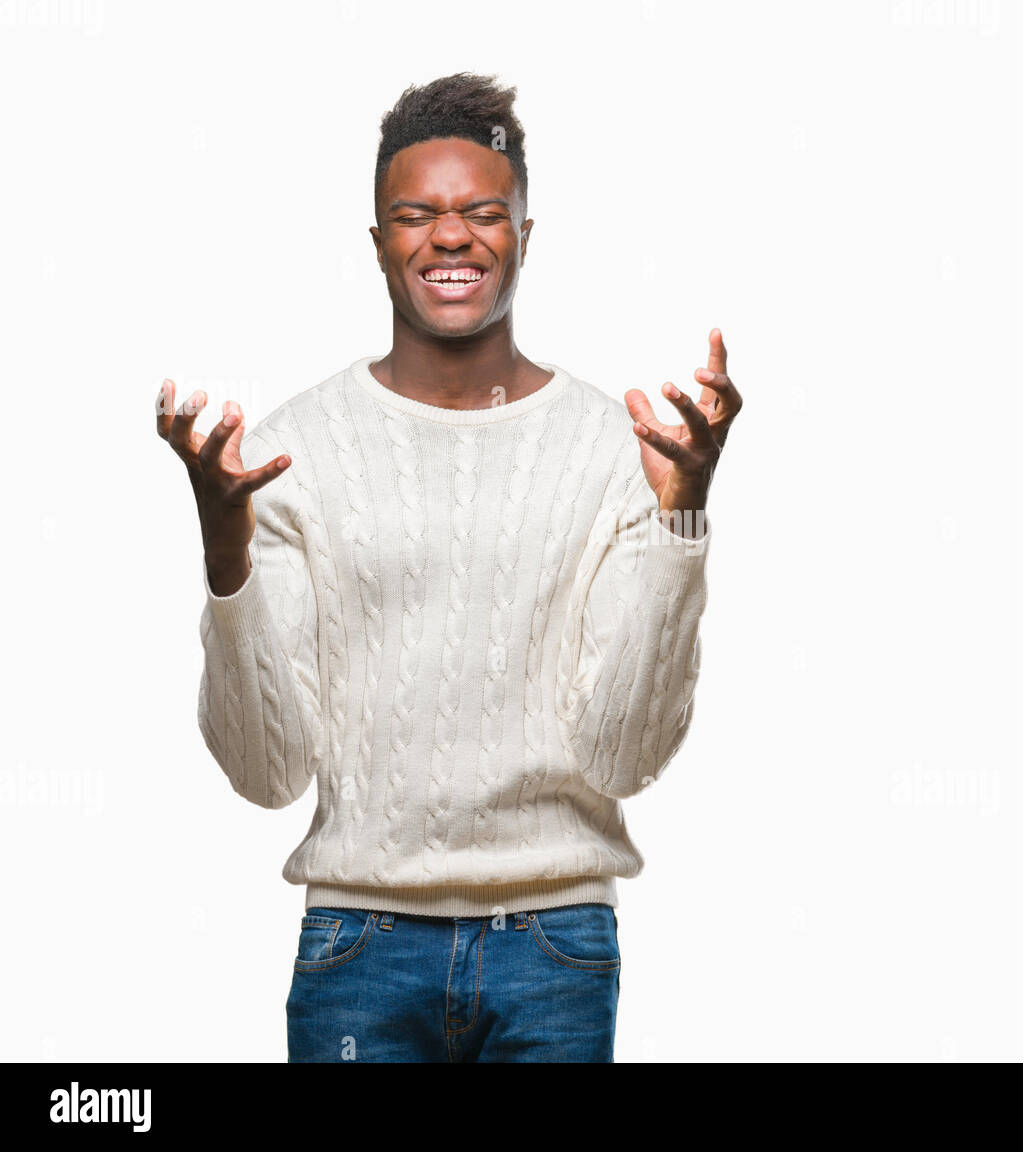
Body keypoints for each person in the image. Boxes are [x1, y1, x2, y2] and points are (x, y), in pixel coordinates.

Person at [155, 72, 740, 1062]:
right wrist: (226, 555)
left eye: (481, 213)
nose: (451, 236)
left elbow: (624, 758)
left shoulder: (614, 448)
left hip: (555, 945)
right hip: (359, 945)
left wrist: (681, 523)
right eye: (416, 214)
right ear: (378, 240)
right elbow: (266, 774)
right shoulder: (300, 450)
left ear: (522, 233)